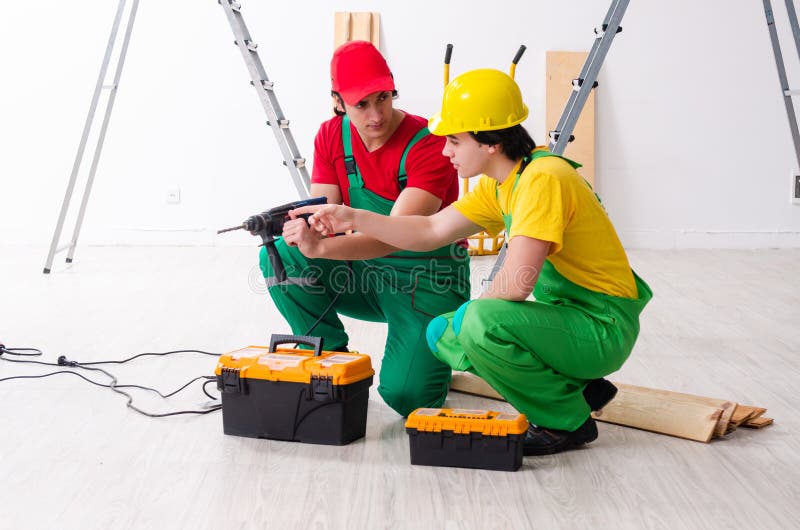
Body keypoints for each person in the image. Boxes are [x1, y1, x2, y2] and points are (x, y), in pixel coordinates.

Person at [294, 68, 653, 456]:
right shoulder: (505, 183)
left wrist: (473, 326)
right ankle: (579, 388)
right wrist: (354, 217)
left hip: (602, 326)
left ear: (491, 142)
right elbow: (430, 229)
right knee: (442, 332)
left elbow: (516, 284)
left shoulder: (543, 179)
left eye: (454, 140)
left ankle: (565, 422)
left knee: (475, 325)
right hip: (571, 317)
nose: (445, 151)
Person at [259, 41, 470, 418]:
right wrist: (306, 233)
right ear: (338, 101)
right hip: (361, 273)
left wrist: (321, 247)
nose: (376, 115)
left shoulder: (430, 142)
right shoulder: (331, 135)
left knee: (409, 398)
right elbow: (322, 218)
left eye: (383, 98)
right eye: (362, 104)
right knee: (280, 254)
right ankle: (328, 360)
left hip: (425, 280)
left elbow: (394, 237)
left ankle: (434, 354)